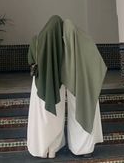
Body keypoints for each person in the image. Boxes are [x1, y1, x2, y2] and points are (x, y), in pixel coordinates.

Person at [27, 16, 107, 158]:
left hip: (42, 88)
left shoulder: (37, 40)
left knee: (46, 118)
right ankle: (82, 148)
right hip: (85, 85)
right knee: (83, 112)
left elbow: (32, 60)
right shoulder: (83, 41)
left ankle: (46, 149)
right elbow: (94, 62)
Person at [62, 19, 107, 156]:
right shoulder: (83, 41)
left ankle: (83, 148)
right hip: (83, 89)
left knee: (82, 115)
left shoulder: (83, 41)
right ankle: (79, 147)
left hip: (85, 88)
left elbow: (98, 63)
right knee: (79, 116)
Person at [27, 15, 66, 158]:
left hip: (39, 87)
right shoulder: (63, 44)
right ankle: (53, 149)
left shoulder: (35, 41)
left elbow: (30, 60)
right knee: (55, 117)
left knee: (41, 117)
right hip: (57, 87)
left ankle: (41, 148)